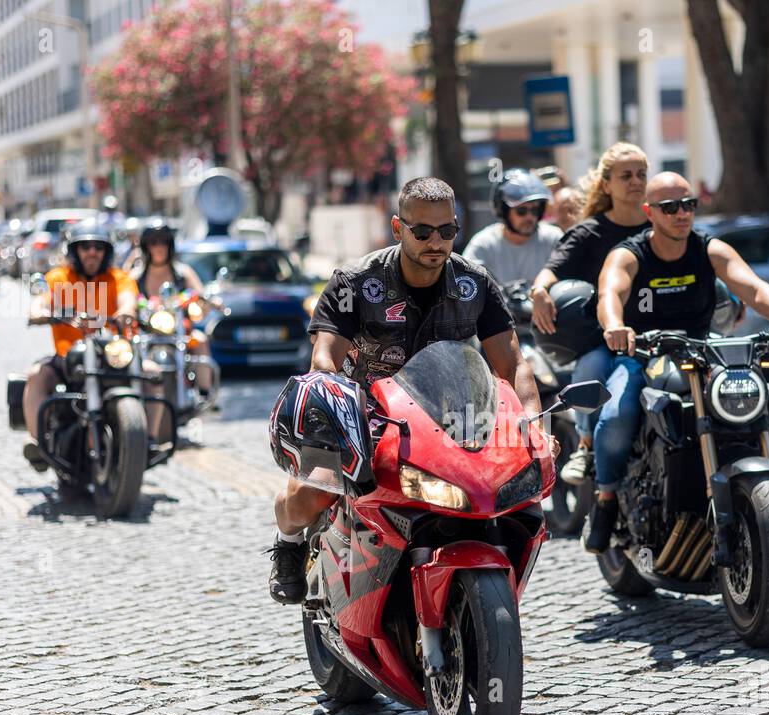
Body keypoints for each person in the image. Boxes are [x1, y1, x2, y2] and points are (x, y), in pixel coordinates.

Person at [266, 176, 548, 604]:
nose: (435, 242)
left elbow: (512, 363)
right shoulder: (355, 282)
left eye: (446, 231)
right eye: (422, 232)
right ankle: (286, 544)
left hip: (454, 417)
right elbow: (324, 358)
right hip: (366, 419)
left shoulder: (476, 283)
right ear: (399, 228)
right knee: (310, 495)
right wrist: (339, 415)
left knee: (513, 502)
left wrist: (531, 423)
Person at [582, 173, 769, 553]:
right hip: (643, 352)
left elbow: (753, 286)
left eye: (689, 205)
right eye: (670, 207)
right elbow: (609, 292)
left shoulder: (710, 249)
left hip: (702, 346)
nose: (682, 214)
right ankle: (606, 498)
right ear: (650, 212)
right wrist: (615, 326)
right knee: (615, 416)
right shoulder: (629, 254)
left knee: (759, 393)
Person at [528, 142, 651, 486]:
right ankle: (585, 446)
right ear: (606, 183)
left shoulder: (662, 227)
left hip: (662, 337)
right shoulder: (588, 232)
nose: (635, 181)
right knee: (592, 370)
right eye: (626, 175)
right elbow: (553, 269)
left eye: (641, 174)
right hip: (606, 339)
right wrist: (540, 291)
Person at [23, 221, 165, 465]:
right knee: (37, 374)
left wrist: (126, 311)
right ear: (75, 251)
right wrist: (40, 312)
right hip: (69, 357)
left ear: (106, 252)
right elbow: (40, 302)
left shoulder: (118, 278)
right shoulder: (59, 277)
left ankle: (150, 439)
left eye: (98, 247)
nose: (92, 252)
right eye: (85, 247)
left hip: (112, 354)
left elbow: (128, 300)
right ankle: (38, 444)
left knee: (153, 373)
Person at [129, 220, 214, 395]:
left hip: (179, 332)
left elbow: (200, 295)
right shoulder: (136, 276)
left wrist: (203, 302)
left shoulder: (183, 273)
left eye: (164, 242)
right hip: (146, 334)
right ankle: (132, 392)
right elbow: (125, 296)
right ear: (146, 247)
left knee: (201, 340)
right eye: (154, 243)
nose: (159, 247)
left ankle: (205, 392)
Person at [461, 169, 563, 288]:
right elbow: (466, 281)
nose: (530, 217)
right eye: (521, 211)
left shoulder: (553, 238)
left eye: (535, 210)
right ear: (504, 211)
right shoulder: (484, 243)